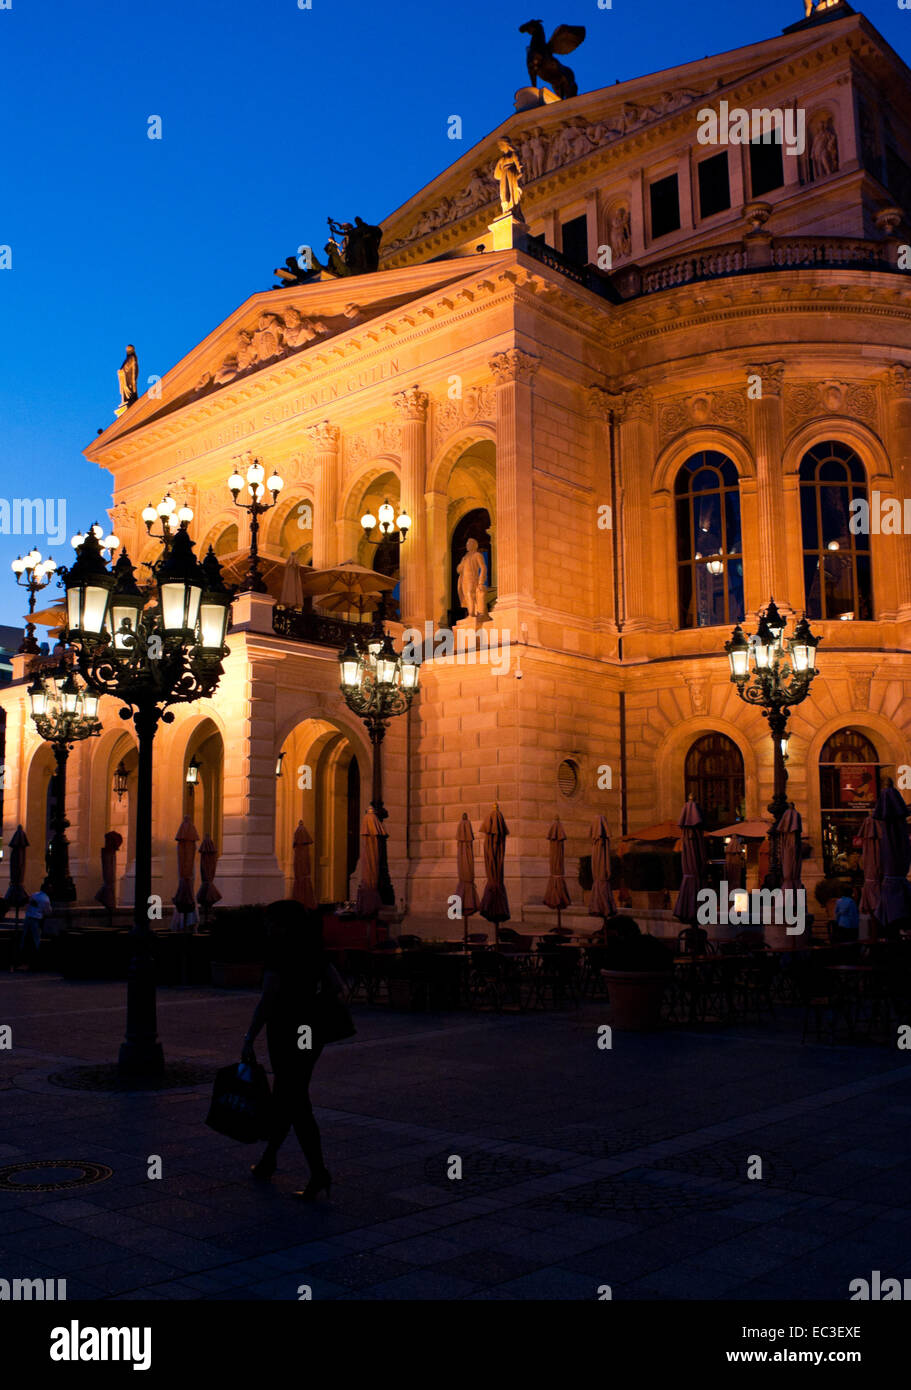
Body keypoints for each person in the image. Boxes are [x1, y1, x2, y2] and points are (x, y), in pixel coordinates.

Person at [242, 901, 343, 1200]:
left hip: (285, 1031)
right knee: (289, 1094)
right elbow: (337, 987)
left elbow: (268, 998)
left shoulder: (279, 951)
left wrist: (249, 1037)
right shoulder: (314, 948)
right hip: (310, 1032)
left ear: (282, 924)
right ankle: (268, 1160)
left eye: (270, 921)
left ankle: (318, 1172)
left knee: (294, 1100)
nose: (266, 926)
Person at [13, 889, 52, 971]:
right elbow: (48, 912)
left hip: (28, 917)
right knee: (36, 939)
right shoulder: (46, 899)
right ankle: (36, 958)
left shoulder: (35, 894)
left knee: (24, 937)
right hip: (36, 919)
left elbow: (28, 900)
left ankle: (21, 956)